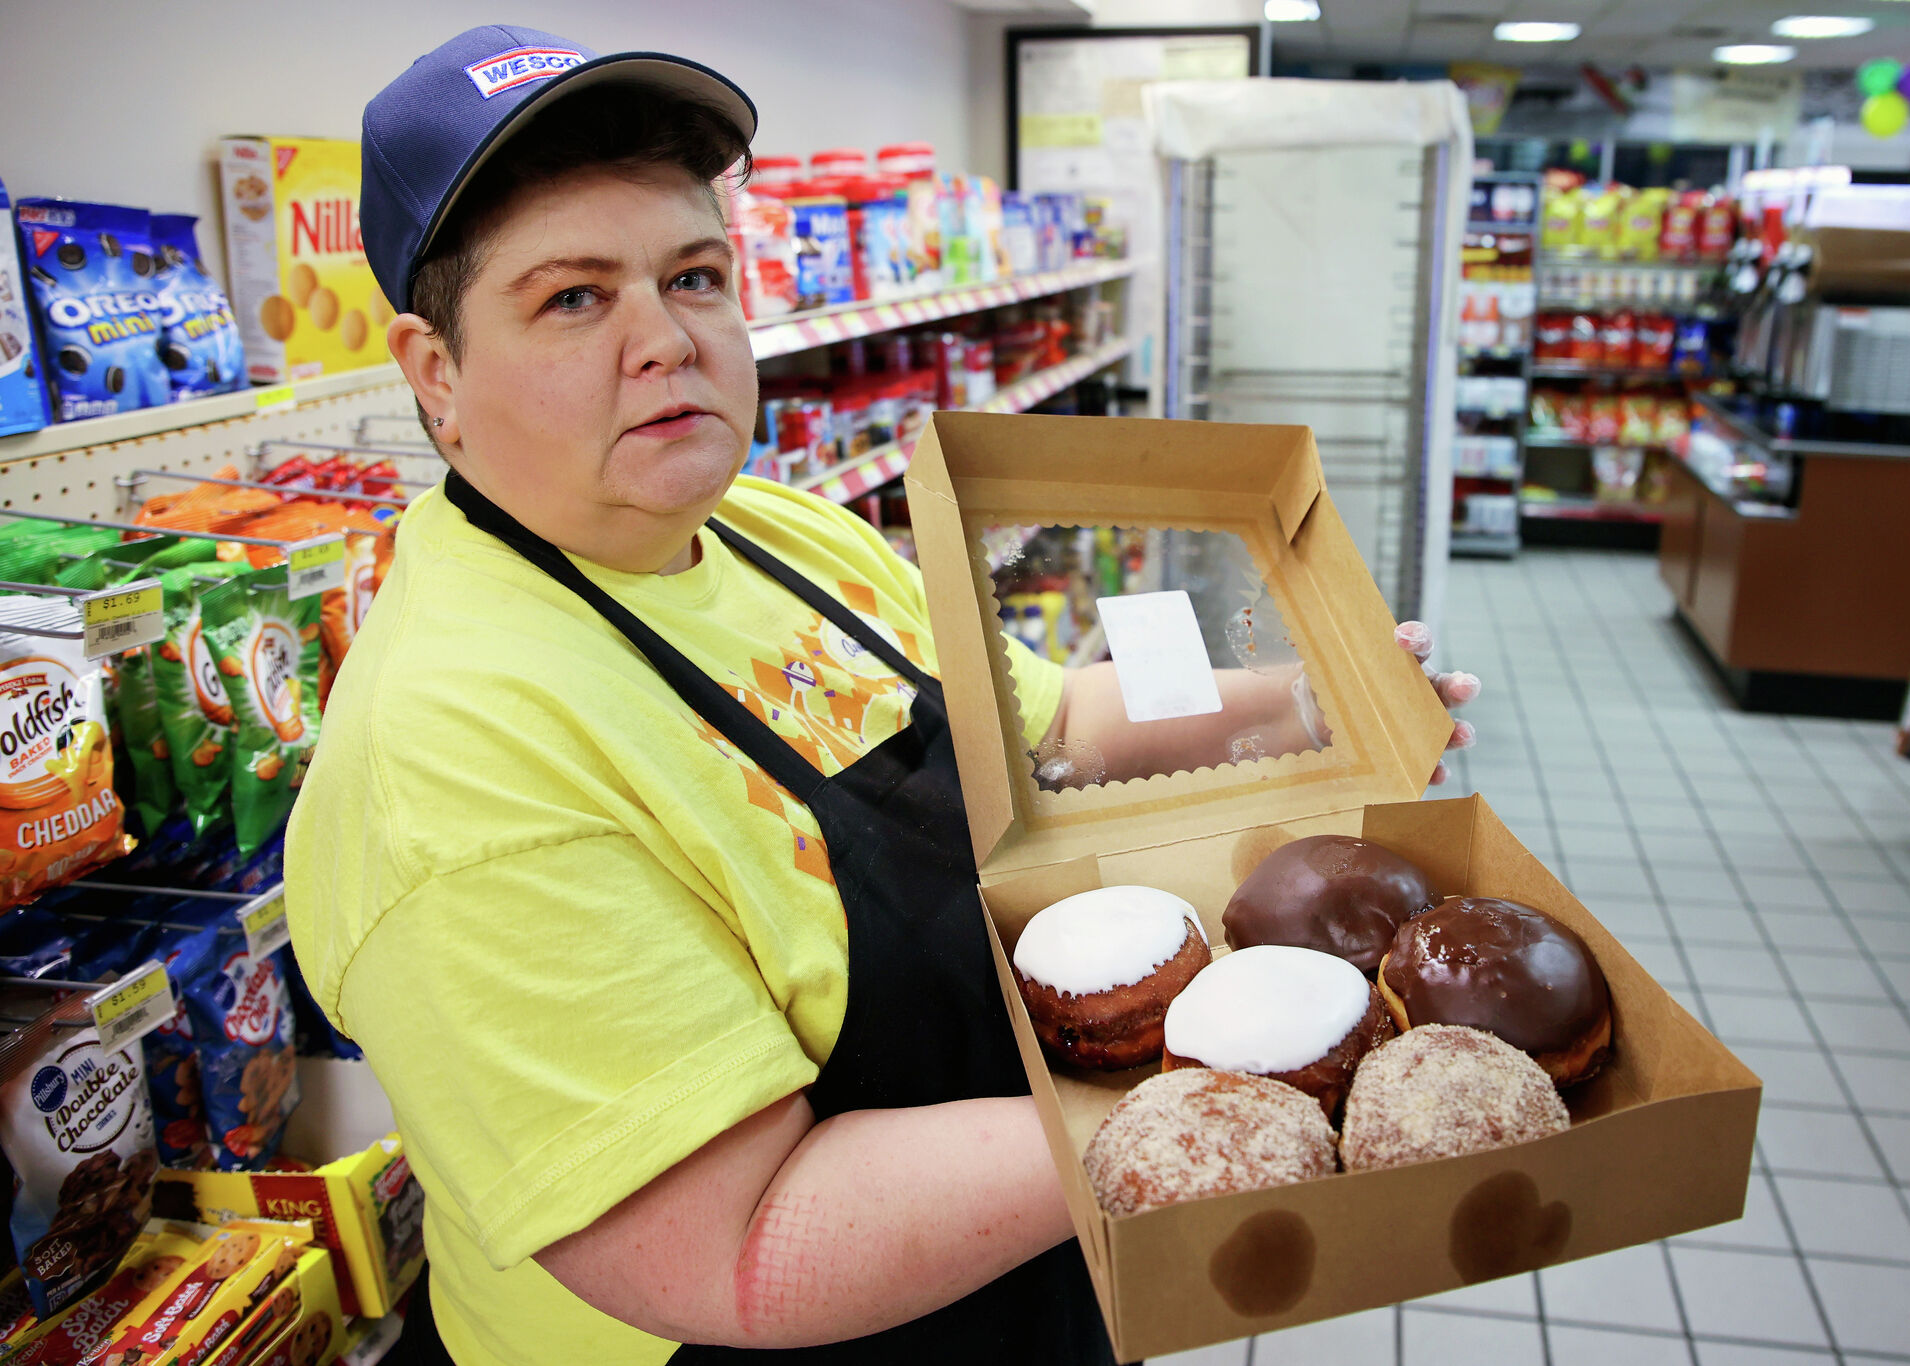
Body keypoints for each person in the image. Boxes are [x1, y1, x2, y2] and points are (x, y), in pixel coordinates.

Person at [285, 25, 1479, 1366]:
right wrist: (1220, 1093)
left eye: (693, 276)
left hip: (1003, 1258)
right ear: (435, 371)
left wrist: (1304, 704)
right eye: (573, 298)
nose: (665, 340)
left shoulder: (777, 532)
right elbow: (741, 1246)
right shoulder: (451, 761)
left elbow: (1055, 727)